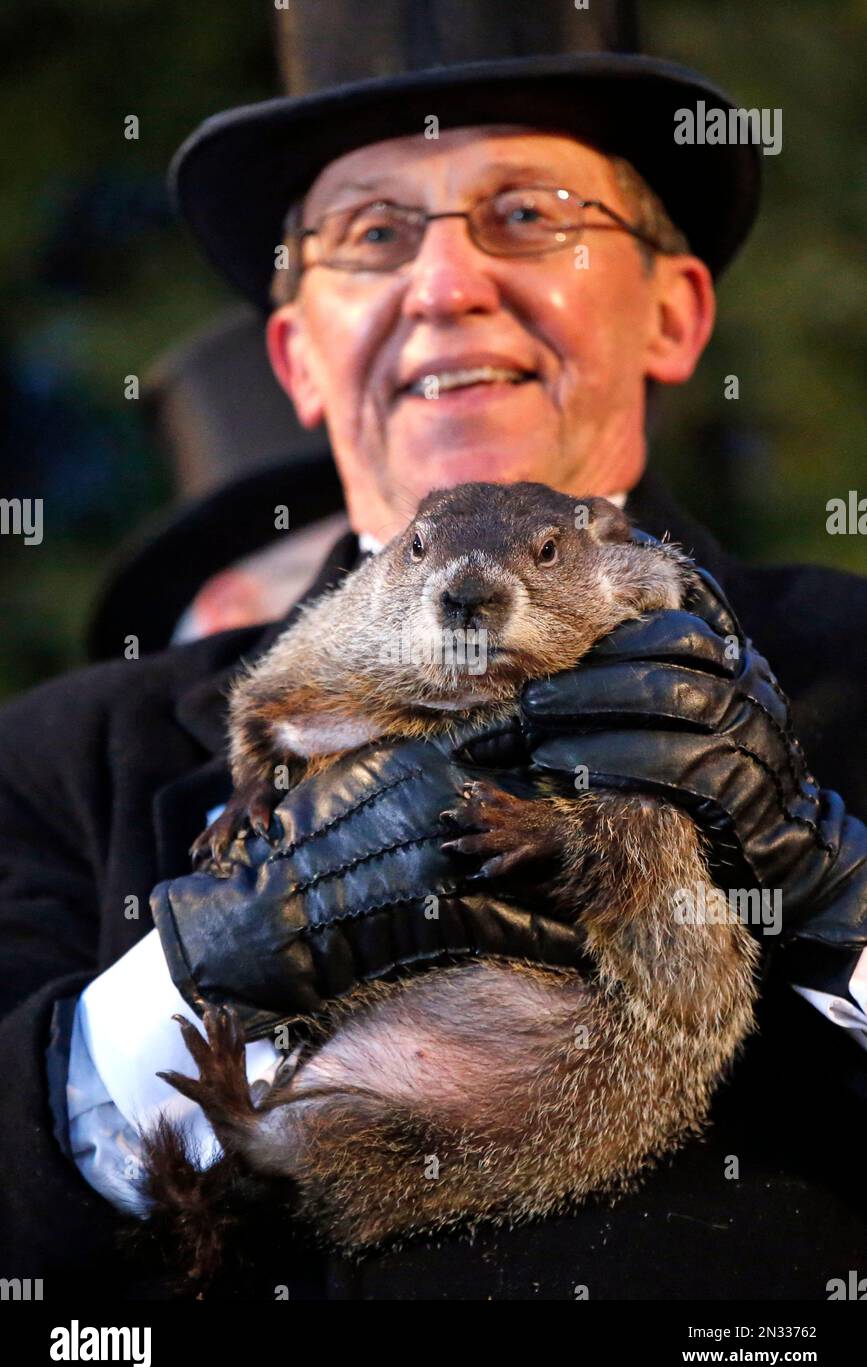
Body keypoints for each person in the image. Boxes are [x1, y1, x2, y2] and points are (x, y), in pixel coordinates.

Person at [1, 1, 866, 1301]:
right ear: (296, 358)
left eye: (528, 214)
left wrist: (832, 918)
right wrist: (190, 985)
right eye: (373, 234)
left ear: (676, 315)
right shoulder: (69, 757)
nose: (448, 284)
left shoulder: (853, 663)